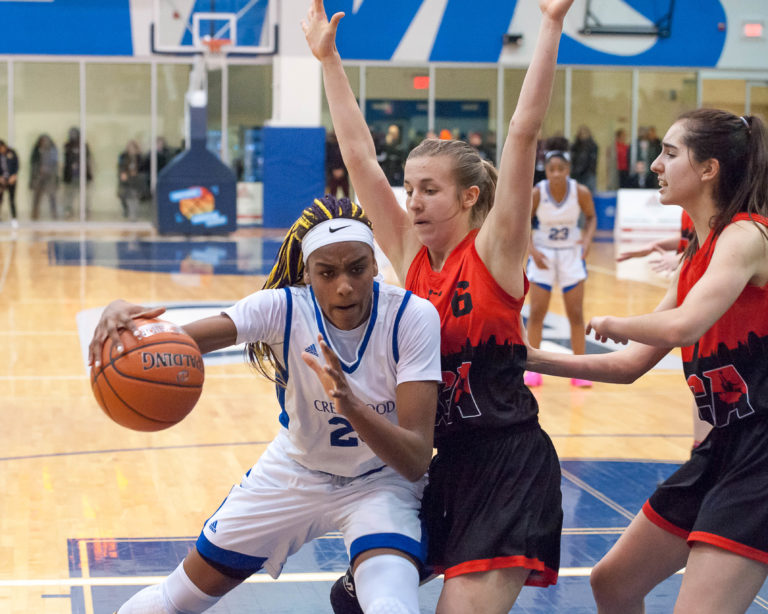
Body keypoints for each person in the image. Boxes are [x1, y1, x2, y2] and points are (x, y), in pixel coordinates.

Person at [304, 0, 573, 611]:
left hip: (507, 465)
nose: (414, 201)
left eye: (430, 189)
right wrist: (329, 61)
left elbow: (522, 133)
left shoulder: (496, 250)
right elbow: (359, 159)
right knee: (352, 598)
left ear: (470, 196)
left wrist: (551, 23)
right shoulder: (411, 254)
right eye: (410, 189)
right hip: (444, 465)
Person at [90, 195, 443, 614]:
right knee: (174, 599)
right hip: (295, 472)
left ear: (374, 265)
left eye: (357, 268)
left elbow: (415, 461)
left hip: (381, 483)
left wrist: (351, 406)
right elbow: (170, 345)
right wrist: (123, 323)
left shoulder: (411, 317)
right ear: (307, 273)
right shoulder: (283, 308)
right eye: (327, 273)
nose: (344, 286)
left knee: (391, 606)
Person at [527, 108, 768, 613]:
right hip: (722, 448)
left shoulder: (748, 235)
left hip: (761, 457)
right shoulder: (697, 254)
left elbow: (683, 327)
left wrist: (614, 322)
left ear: (709, 169)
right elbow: (629, 365)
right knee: (613, 584)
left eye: (670, 153)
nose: (656, 164)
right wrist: (525, 359)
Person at [523, 148, 597, 388]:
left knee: (575, 313)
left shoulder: (580, 191)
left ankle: (580, 369)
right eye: (551, 169)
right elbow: (523, 221)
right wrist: (532, 250)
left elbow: (591, 217)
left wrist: (587, 240)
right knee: (537, 312)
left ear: (568, 170)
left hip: (570, 253)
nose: (556, 173)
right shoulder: (537, 192)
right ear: (546, 170)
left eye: (561, 169)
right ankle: (532, 370)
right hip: (543, 253)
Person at [62, 126, 93, 219]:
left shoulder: (84, 146)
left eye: (75, 134)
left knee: (84, 195)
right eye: (72, 134)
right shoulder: (67, 146)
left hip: (82, 175)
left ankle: (85, 211)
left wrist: (86, 171)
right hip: (70, 176)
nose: (73, 136)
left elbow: (88, 159)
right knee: (69, 195)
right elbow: (65, 160)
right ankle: (68, 211)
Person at [29, 134, 59, 220]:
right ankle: (35, 213)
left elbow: (55, 164)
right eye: (43, 141)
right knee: (37, 196)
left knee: (52, 196)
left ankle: (54, 213)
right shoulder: (36, 151)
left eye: (46, 141)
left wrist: (55, 177)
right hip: (39, 177)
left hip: (50, 177)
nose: (45, 143)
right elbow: (33, 165)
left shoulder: (53, 151)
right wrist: (34, 177)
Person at [117, 140, 145, 221]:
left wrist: (137, 172)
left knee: (135, 198)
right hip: (127, 181)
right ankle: (129, 213)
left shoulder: (139, 157)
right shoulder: (123, 156)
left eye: (133, 148)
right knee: (127, 198)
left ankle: (134, 215)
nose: (131, 149)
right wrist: (123, 173)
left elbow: (143, 168)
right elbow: (120, 167)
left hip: (136, 181)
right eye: (130, 147)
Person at [570, 125, 598, 193]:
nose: (583, 135)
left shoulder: (592, 146)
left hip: (588, 173)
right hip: (576, 174)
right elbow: (573, 159)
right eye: (581, 133)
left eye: (585, 133)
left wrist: (588, 170)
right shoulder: (575, 146)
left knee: (589, 192)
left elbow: (592, 161)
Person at [0, 139, 19, 227]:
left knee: (12, 199)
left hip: (11, 180)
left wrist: (14, 175)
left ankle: (14, 218)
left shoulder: (12, 152)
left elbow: (17, 164)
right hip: (2, 180)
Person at [326, 130, 350, 198]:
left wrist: (343, 170)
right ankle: (332, 205)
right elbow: (327, 159)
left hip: (343, 173)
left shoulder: (346, 145)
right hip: (333, 173)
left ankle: (347, 204)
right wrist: (333, 170)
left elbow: (348, 159)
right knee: (332, 194)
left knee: (346, 194)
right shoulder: (329, 145)